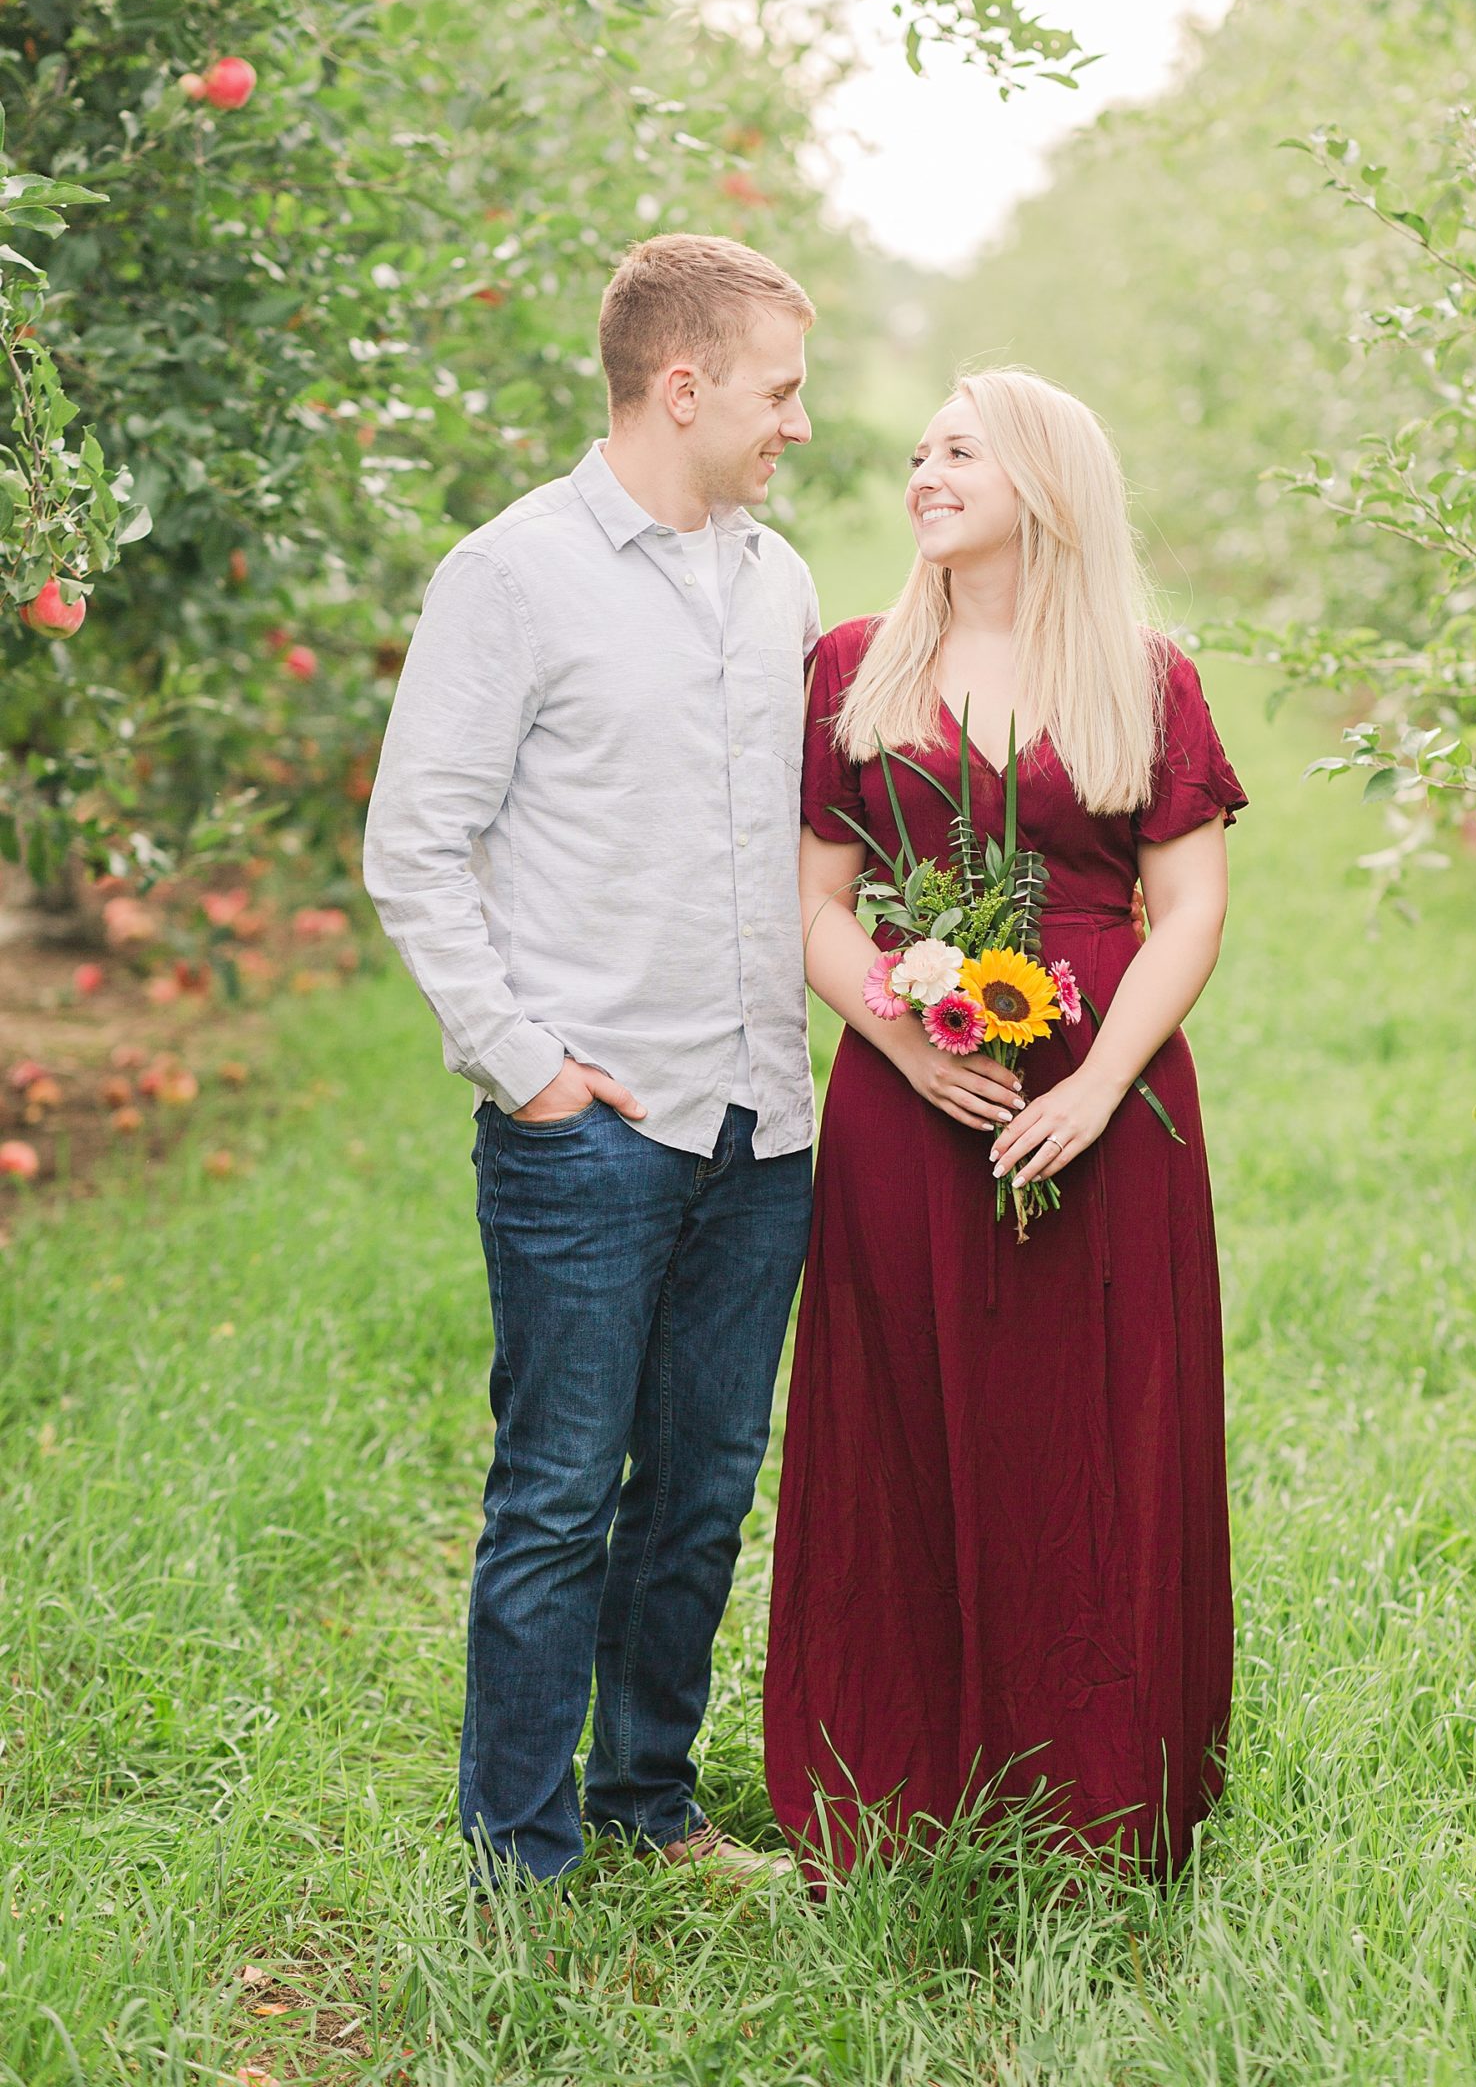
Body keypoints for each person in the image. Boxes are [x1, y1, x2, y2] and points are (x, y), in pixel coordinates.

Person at [365, 232, 820, 1888]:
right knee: (558, 1497)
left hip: (762, 1121)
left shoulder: (779, 582)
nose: (799, 425)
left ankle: (648, 1799)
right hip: (593, 1130)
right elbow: (414, 846)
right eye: (780, 392)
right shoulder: (513, 575)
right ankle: (519, 1852)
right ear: (681, 386)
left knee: (699, 1495)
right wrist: (527, 1070)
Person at [765, 366, 1245, 1879]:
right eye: (920, 452)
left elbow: (1189, 908)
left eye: (959, 451)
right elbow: (814, 901)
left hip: (1108, 1098)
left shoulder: (1145, 676)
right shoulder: (857, 664)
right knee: (903, 1415)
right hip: (910, 1095)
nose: (924, 473)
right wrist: (901, 1045)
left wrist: (1099, 1089)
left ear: (1043, 480)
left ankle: (1098, 1788)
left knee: (1094, 1425)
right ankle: (899, 1783)